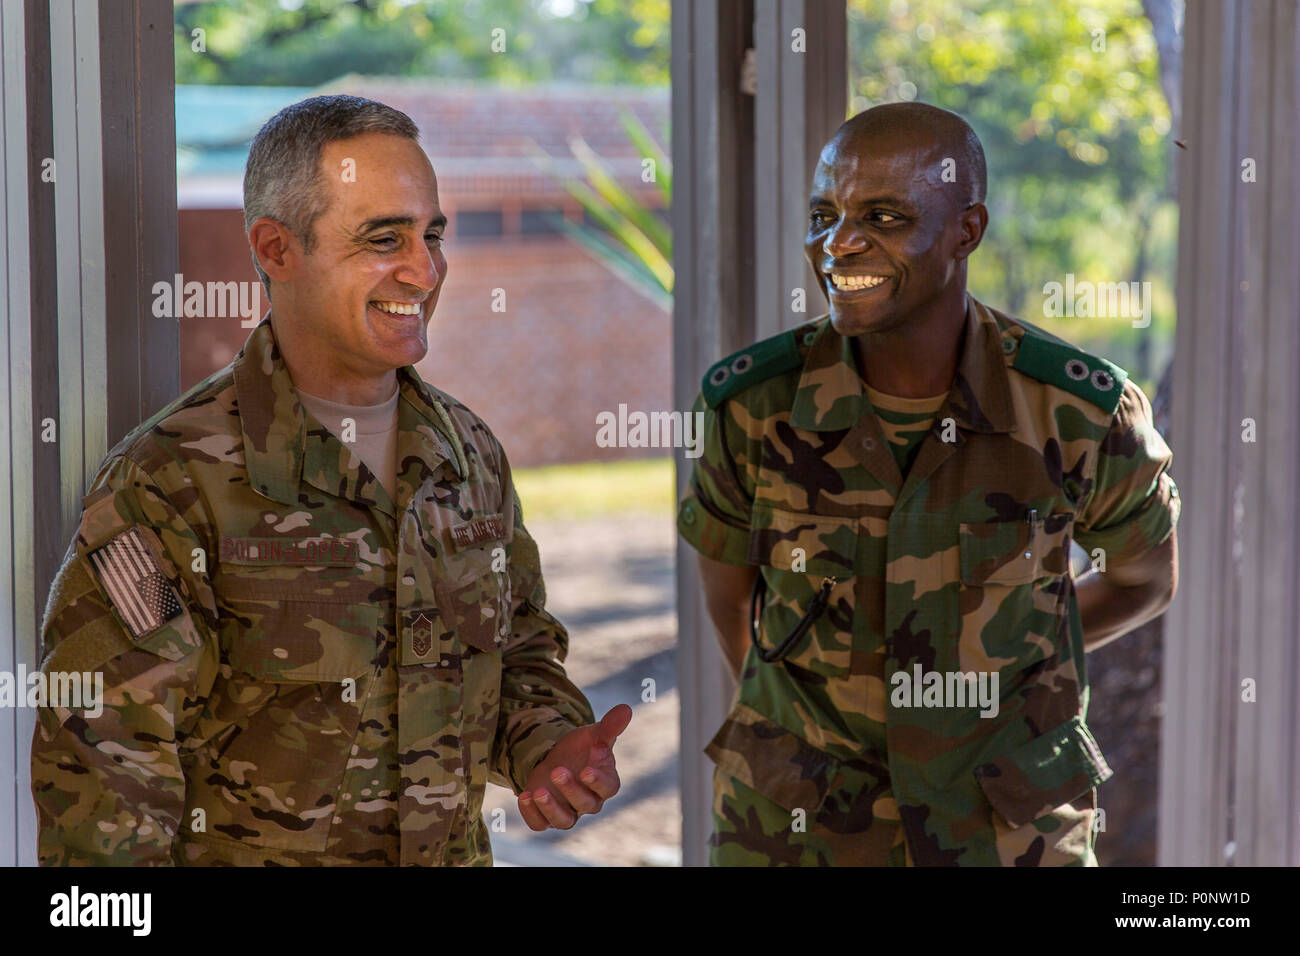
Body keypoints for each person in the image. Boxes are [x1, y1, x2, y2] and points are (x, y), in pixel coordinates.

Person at [31, 94, 631, 866]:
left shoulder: (467, 452)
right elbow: (105, 775)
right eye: (385, 238)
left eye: (432, 234)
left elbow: (518, 649)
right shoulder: (170, 481)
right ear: (277, 250)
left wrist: (547, 744)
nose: (425, 269)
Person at [677, 102, 1179, 866]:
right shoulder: (751, 404)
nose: (838, 244)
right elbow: (730, 601)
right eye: (824, 213)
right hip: (798, 830)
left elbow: (1144, 579)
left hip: (1007, 828)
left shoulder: (1079, 412)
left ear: (965, 231)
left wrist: (1008, 664)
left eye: (883, 216)